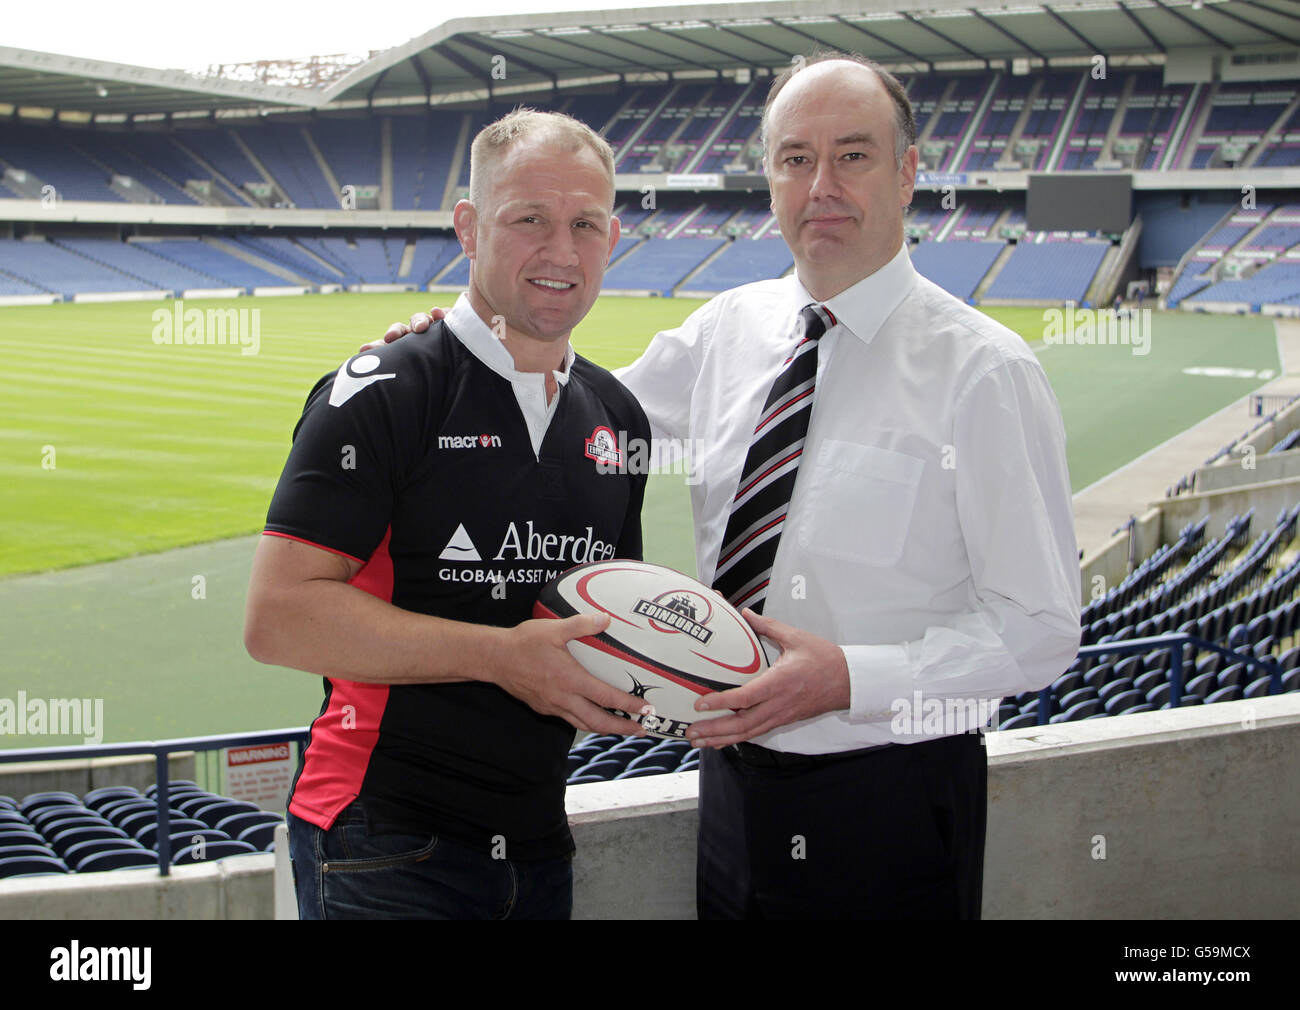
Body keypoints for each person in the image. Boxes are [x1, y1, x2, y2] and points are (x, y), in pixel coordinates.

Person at [382, 52, 1080, 919]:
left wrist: (849, 679)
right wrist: (455, 349)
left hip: (892, 797)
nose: (820, 184)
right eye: (794, 158)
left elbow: (1042, 630)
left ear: (907, 175)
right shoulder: (729, 329)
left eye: (853, 155)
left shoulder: (984, 372)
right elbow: (574, 412)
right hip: (732, 783)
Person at [244, 109, 651, 920]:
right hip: (383, 837)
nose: (562, 252)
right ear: (468, 227)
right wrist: (503, 657)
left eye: (585, 225)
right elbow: (278, 619)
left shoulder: (620, 418)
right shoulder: (382, 389)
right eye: (528, 219)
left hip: (537, 841)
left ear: (613, 238)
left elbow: (601, 621)